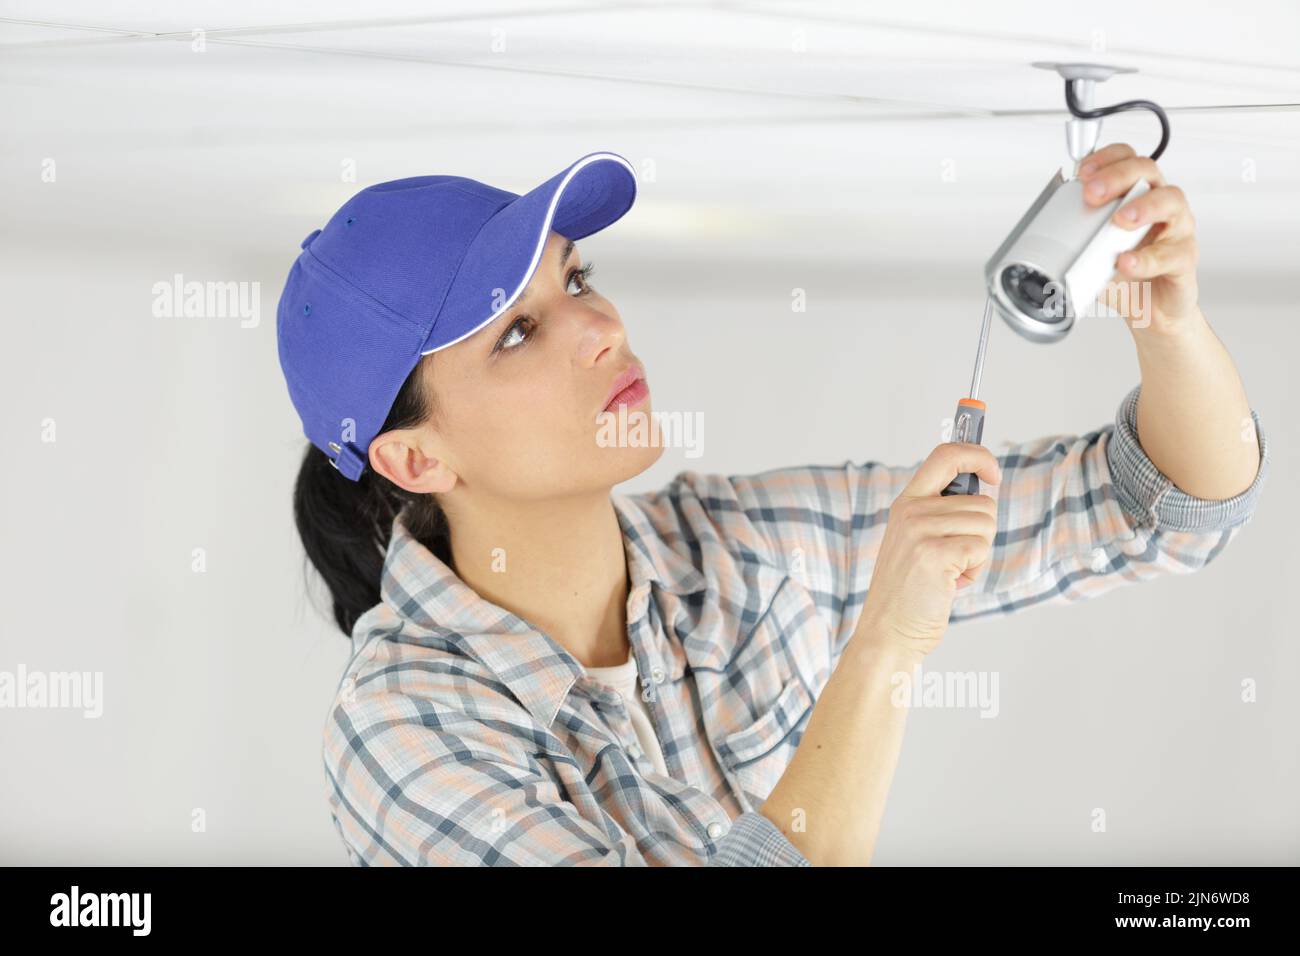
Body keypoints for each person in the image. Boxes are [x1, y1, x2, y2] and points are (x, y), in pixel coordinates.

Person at [276, 147, 1269, 867]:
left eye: (576, 277)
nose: (599, 323)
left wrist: (1167, 320)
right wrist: (884, 640)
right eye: (518, 333)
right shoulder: (406, 724)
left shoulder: (735, 547)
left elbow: (1164, 508)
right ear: (414, 455)